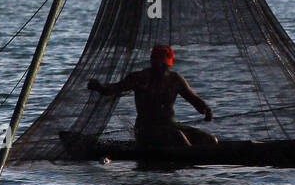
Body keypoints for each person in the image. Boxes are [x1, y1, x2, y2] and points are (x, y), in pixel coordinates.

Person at [87, 45, 217, 147]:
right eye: (157, 63)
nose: (159, 67)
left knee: (210, 140)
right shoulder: (140, 78)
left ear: (168, 64)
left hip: (171, 126)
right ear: (152, 62)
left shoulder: (175, 79)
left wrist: (206, 110)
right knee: (177, 137)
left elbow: (193, 99)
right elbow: (113, 89)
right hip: (146, 130)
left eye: (163, 64)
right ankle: (190, 160)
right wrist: (98, 87)